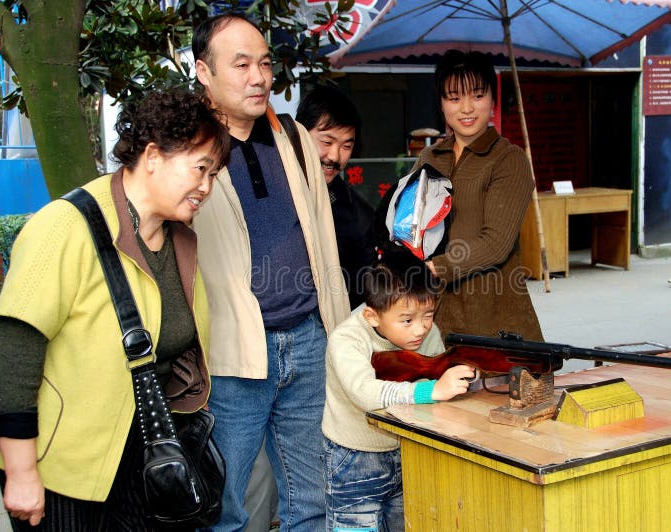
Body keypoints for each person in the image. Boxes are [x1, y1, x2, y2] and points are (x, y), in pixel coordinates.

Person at [0, 89, 230, 530]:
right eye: (200, 169)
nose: (207, 186)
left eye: (213, 174)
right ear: (154, 154)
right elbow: (11, 356)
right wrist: (22, 470)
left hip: (146, 461)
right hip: (66, 470)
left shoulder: (181, 240)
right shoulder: (65, 226)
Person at [191, 14, 350, 532]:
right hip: (232, 356)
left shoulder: (296, 138)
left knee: (315, 502)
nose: (259, 77)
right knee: (224, 510)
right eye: (240, 64)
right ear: (203, 71)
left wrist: (340, 332)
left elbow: (324, 238)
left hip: (307, 340)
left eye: (264, 63)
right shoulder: (184, 149)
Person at [322, 252, 474, 531]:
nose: (421, 329)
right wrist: (431, 390)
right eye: (407, 320)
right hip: (356, 457)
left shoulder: (428, 334)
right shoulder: (346, 339)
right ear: (372, 316)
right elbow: (365, 393)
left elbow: (436, 375)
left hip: (408, 452)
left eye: (428, 315)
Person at [413, 49, 544, 340]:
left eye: (477, 94)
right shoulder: (429, 158)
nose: (467, 108)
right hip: (433, 319)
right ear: (441, 104)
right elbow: (410, 224)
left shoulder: (509, 160)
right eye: (454, 97)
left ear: (493, 100)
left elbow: (496, 244)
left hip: (494, 319)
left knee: (491, 386)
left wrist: (438, 267)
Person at [297, 85, 375, 309]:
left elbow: (363, 292)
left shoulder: (359, 215)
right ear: (300, 133)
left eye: (346, 146)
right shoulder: (273, 192)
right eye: (327, 142)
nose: (334, 156)